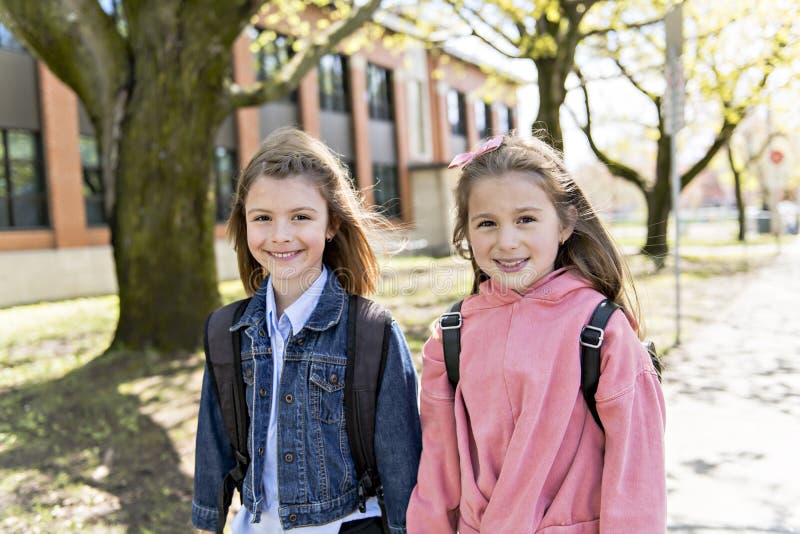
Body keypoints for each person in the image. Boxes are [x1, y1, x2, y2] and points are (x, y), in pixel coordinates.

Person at [406, 134, 666, 532]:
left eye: (526, 219)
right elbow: (437, 475)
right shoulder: (451, 337)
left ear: (565, 224)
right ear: (466, 234)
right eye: (487, 223)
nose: (507, 241)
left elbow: (636, 482)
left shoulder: (601, 331)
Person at [193, 127, 422, 533]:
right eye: (262, 218)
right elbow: (214, 448)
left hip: (348, 525)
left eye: (300, 216)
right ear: (243, 223)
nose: (281, 235)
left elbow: (401, 461)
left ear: (331, 224)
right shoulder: (226, 331)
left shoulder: (373, 333)